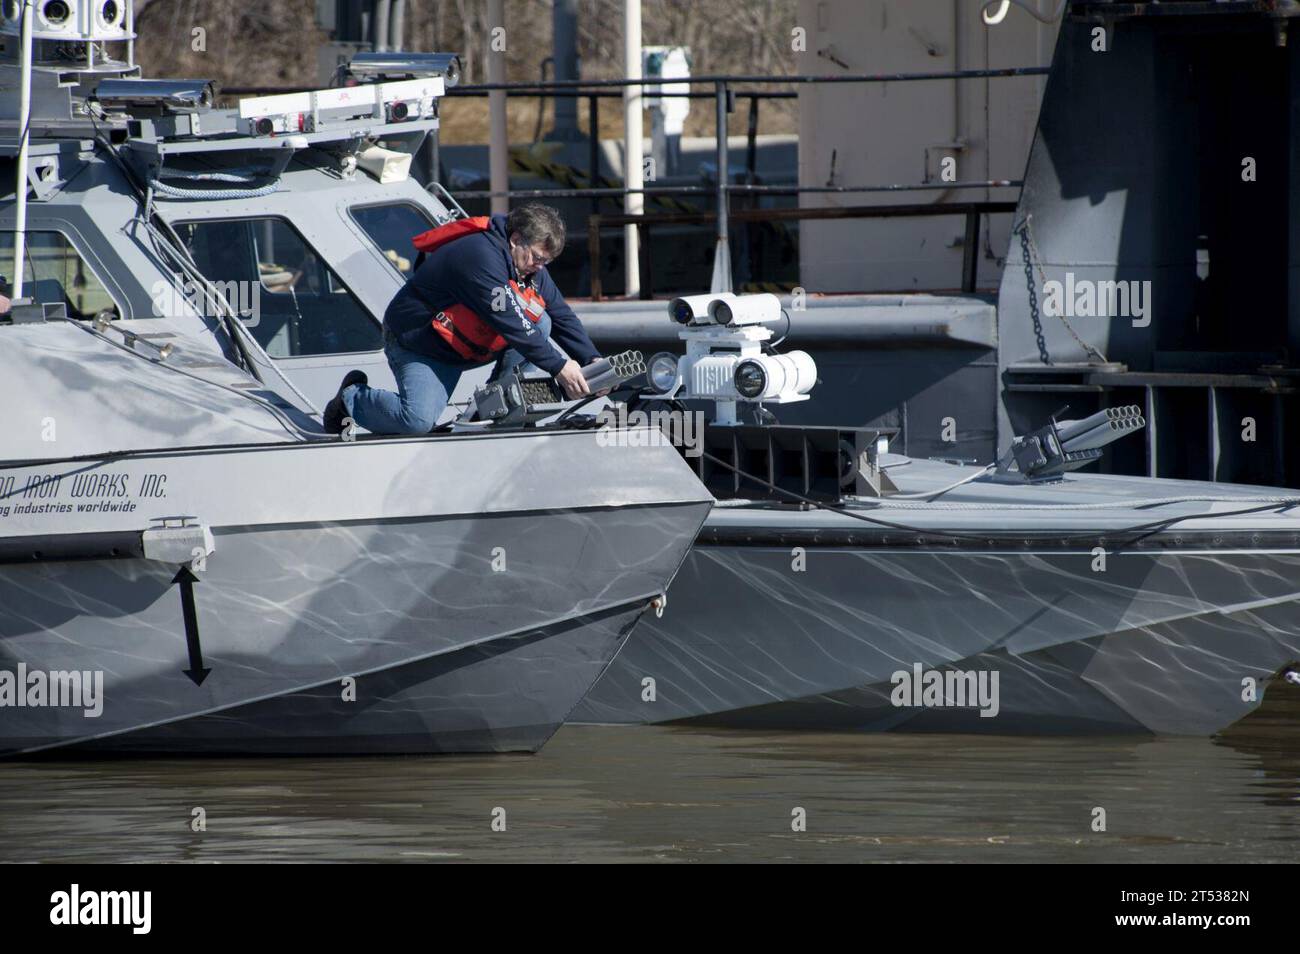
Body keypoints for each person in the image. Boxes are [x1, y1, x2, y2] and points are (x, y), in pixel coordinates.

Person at [324, 203, 600, 434]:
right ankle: (352, 397)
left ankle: (496, 407)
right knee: (417, 422)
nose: (540, 268)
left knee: (543, 321)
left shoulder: (529, 267)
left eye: (546, 263)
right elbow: (510, 321)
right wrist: (560, 366)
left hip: (465, 347)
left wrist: (592, 360)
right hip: (421, 345)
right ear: (516, 240)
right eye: (538, 258)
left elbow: (560, 314)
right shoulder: (479, 258)